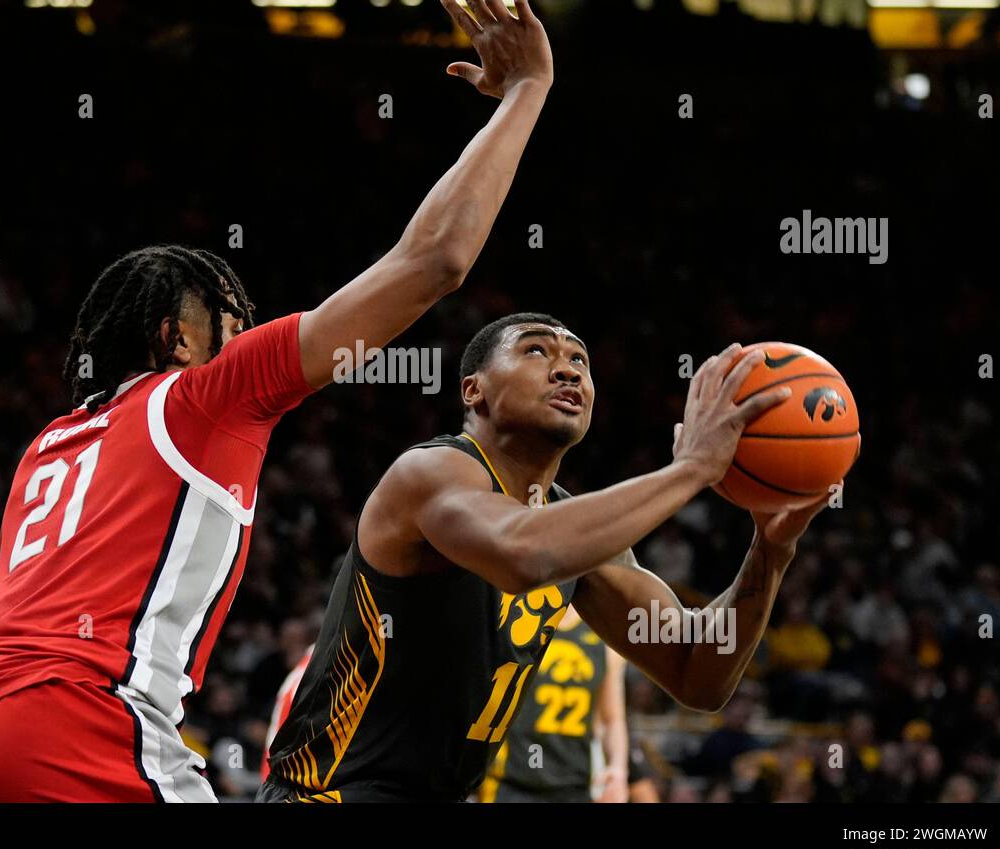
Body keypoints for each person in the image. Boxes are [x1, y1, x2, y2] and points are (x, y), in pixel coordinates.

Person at [0, 0, 555, 803]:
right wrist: (528, 89)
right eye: (228, 317)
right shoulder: (207, 393)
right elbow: (433, 263)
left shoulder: (50, 444)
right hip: (67, 727)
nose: (244, 330)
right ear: (176, 337)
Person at [261, 316, 832, 802]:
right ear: (473, 391)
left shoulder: (575, 533)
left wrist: (771, 549)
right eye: (537, 350)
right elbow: (522, 554)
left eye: (580, 360)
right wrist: (690, 471)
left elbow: (698, 672)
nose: (568, 369)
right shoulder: (431, 472)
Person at [477, 610, 628, 802]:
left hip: (574, 784)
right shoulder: (515, 617)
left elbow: (611, 719)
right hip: (510, 781)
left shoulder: (604, 637)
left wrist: (618, 767)